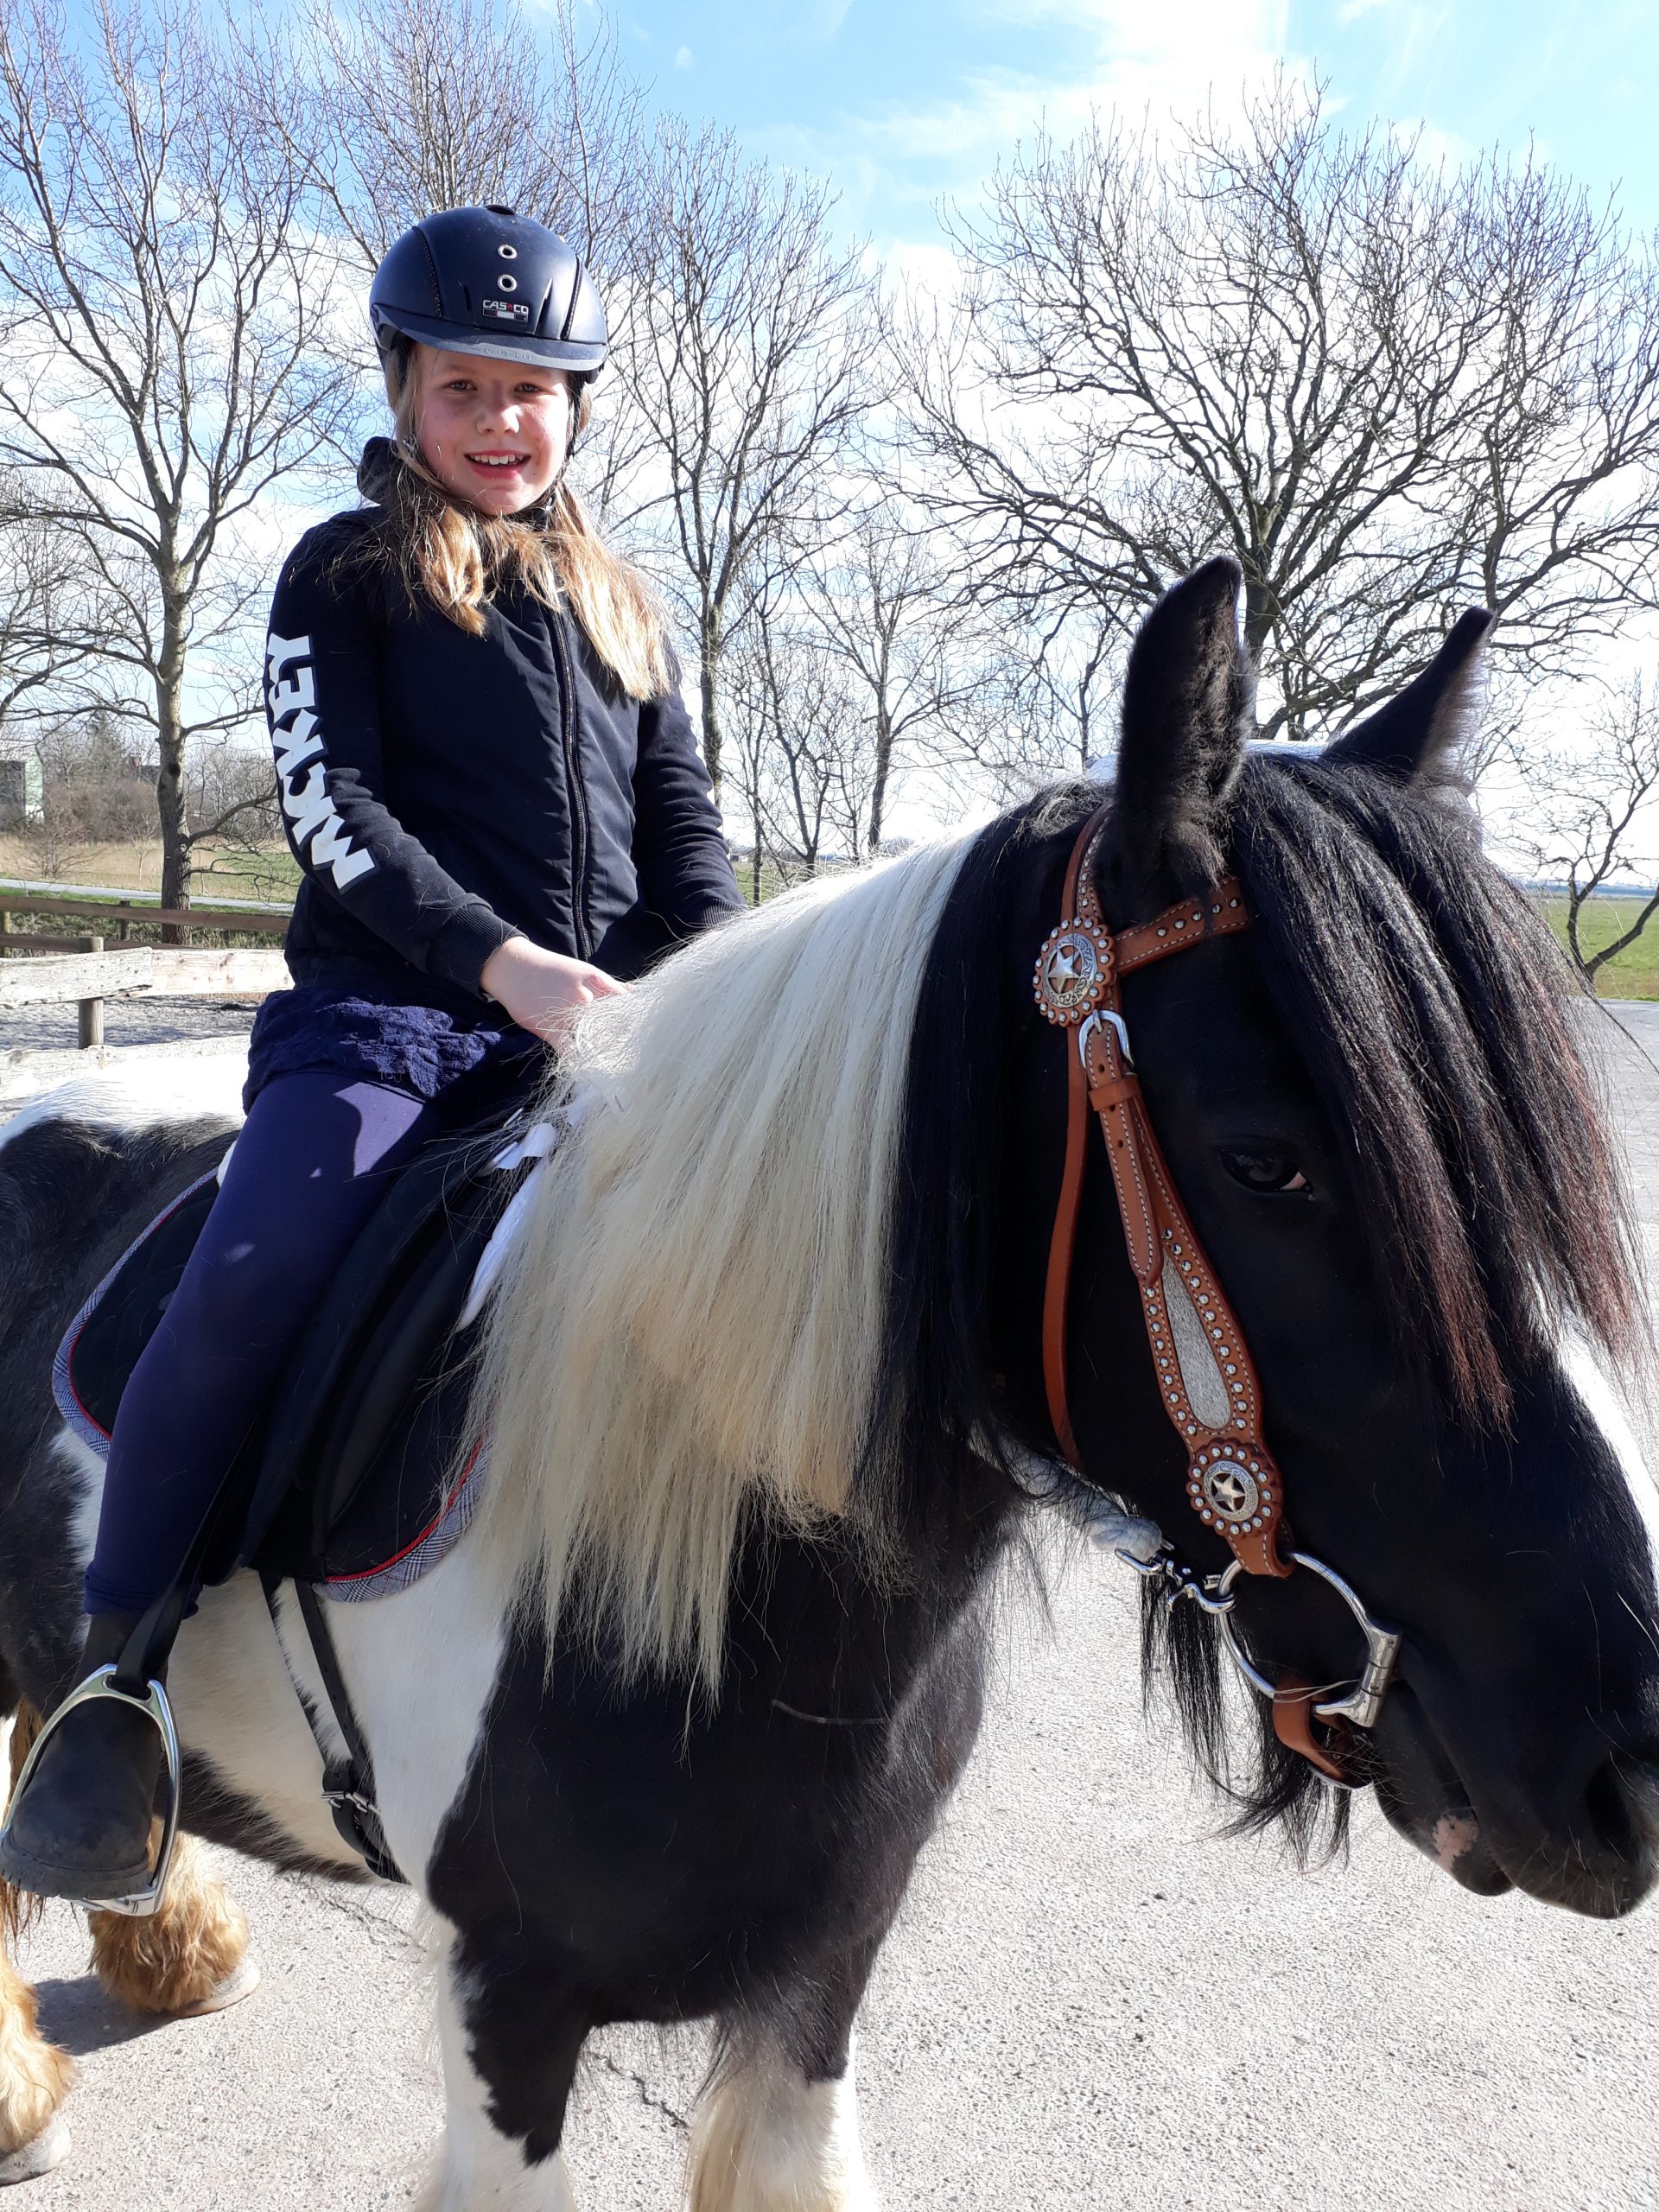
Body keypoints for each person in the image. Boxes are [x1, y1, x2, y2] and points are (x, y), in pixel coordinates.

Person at [1, 204, 744, 1902]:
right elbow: (339, 815)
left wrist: (694, 1005)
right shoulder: (342, 573)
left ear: (576, 405)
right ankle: (114, 1679)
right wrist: (506, 966)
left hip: (607, 1043)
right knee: (256, 1265)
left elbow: (691, 855)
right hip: (390, 1026)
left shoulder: (631, 614)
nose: (499, 422)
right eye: (464, 387)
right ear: (407, 389)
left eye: (530, 390)